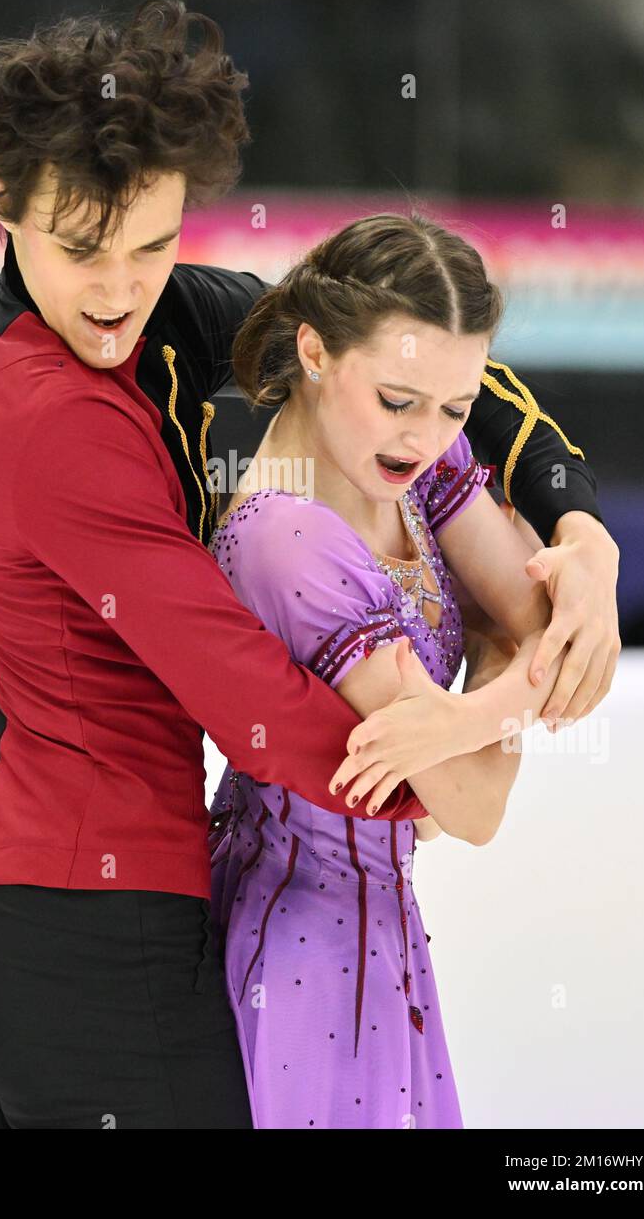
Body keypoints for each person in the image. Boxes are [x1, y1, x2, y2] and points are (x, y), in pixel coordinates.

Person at [0, 0, 619, 1130]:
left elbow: (395, 343)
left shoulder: (164, 314)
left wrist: (579, 528)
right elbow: (248, 700)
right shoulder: (45, 418)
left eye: (155, 242)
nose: (123, 290)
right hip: (82, 934)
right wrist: (452, 750)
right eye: (82, 247)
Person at [205, 211, 578, 1127]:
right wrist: (505, 676)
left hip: (383, 926)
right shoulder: (289, 541)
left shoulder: (411, 458)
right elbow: (476, 809)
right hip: (295, 939)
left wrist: (456, 720)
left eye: (456, 409)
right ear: (316, 350)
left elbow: (533, 618)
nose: (423, 436)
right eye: (399, 399)